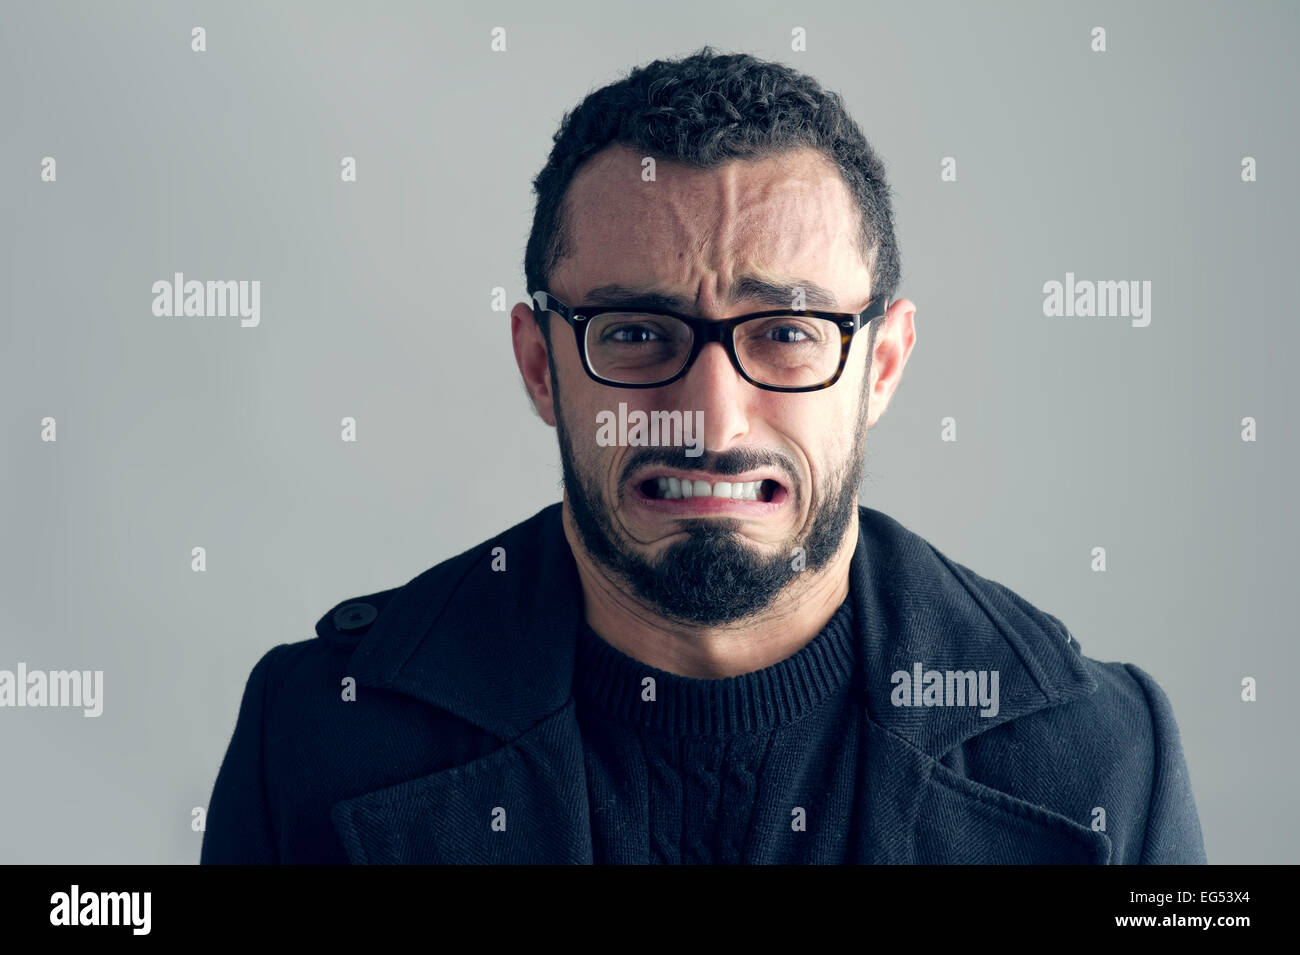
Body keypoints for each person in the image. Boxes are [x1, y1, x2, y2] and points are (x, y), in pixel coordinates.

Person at [201, 47, 1205, 864]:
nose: (711, 421)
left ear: (883, 366)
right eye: (638, 333)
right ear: (541, 366)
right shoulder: (314, 735)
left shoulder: (1104, 761)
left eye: (787, 331)